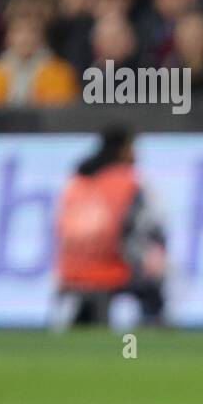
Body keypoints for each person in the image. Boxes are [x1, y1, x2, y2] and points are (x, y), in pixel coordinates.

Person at [55, 126, 167, 327]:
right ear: (124, 149)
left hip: (70, 270)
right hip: (111, 269)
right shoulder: (128, 183)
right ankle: (152, 331)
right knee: (153, 282)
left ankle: (83, 322)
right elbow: (146, 229)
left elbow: (62, 226)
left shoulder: (76, 182)